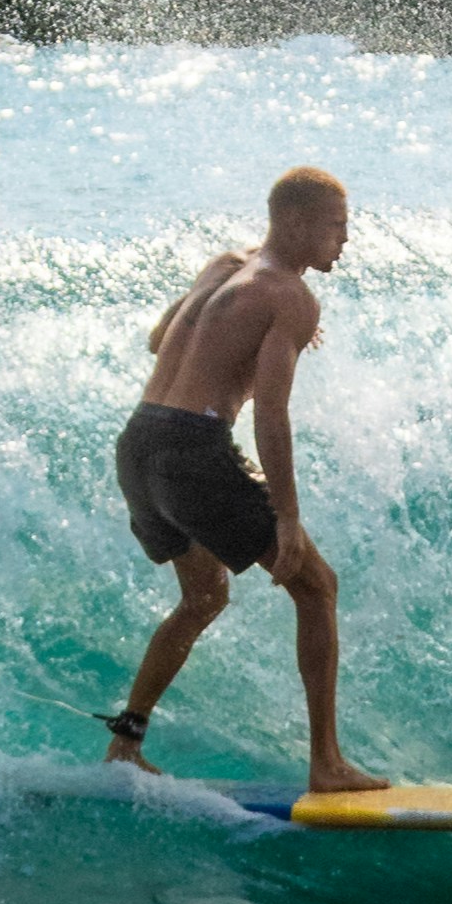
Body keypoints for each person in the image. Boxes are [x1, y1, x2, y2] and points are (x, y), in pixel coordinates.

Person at [105, 164, 386, 792]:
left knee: (203, 597)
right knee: (317, 587)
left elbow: (160, 340)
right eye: (337, 227)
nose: (346, 240)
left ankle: (126, 742)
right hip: (191, 450)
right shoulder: (290, 295)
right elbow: (273, 414)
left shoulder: (224, 265)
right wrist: (286, 516)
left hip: (141, 442)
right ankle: (327, 764)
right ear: (296, 222)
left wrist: (254, 338)